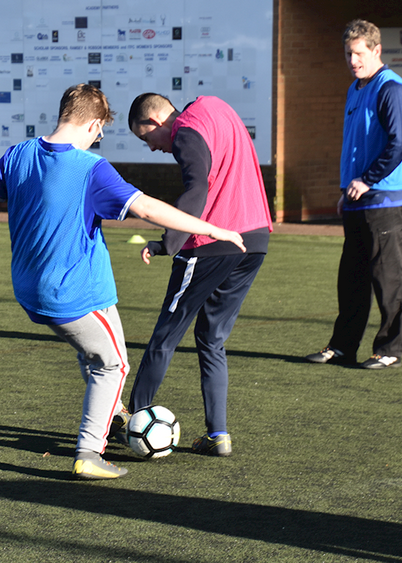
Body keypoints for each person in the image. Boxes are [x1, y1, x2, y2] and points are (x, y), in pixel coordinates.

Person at [0, 84, 246, 480]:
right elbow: (147, 208)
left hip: (35, 290)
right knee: (114, 365)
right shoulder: (90, 168)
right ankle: (89, 452)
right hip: (71, 293)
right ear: (92, 124)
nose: (98, 138)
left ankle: (115, 415)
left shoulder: (18, 154)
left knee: (96, 350)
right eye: (100, 131)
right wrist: (210, 228)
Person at [126, 93, 273, 457]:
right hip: (254, 241)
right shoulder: (217, 107)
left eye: (146, 138)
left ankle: (130, 420)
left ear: (155, 120)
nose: (152, 148)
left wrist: (168, 242)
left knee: (165, 336)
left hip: (211, 244)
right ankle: (218, 434)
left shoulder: (185, 130)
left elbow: (197, 188)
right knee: (211, 338)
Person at [304, 20, 402, 370]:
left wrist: (367, 180)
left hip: (384, 199)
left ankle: (390, 348)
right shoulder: (355, 88)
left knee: (387, 277)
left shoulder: (390, 87)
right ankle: (342, 347)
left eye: (359, 53)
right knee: (351, 279)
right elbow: (357, 144)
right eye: (348, 54)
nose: (353, 60)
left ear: (376, 50)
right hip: (357, 199)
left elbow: (400, 142)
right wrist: (347, 190)